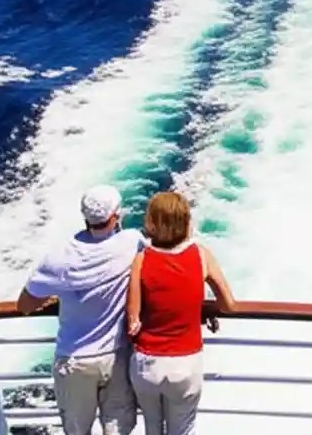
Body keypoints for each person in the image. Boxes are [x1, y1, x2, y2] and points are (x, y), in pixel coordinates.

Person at [16, 185, 145, 435]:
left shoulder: (59, 256)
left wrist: (63, 295)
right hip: (116, 356)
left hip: (74, 360)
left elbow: (25, 304)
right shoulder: (132, 243)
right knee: (119, 428)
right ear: (116, 216)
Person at [126, 191, 237, 435]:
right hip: (185, 364)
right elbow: (229, 304)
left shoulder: (141, 260)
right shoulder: (201, 255)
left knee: (152, 429)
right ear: (186, 222)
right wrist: (202, 307)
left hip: (148, 364)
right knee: (183, 430)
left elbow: (133, 319)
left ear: (152, 223)